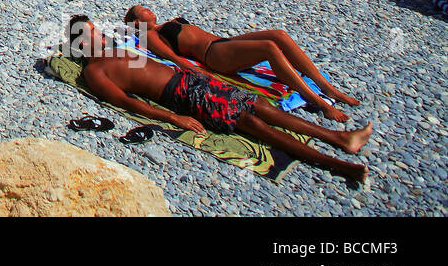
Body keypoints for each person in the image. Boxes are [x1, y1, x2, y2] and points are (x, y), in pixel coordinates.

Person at [66, 17, 372, 183]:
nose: (100, 34)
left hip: (191, 81)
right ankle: (339, 164)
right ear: (81, 42)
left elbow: (154, 57)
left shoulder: (113, 51)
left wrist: (188, 67)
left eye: (96, 29)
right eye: (92, 33)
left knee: (261, 106)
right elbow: (126, 102)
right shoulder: (95, 72)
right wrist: (173, 118)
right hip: (180, 96)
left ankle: (338, 138)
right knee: (254, 125)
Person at [123, 6, 359, 122]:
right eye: (142, 10)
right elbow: (171, 57)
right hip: (214, 54)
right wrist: (195, 71)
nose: (148, 9)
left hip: (224, 43)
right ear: (136, 21)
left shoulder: (168, 22)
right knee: (269, 48)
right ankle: (318, 102)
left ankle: (327, 87)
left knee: (279, 35)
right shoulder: (148, 33)